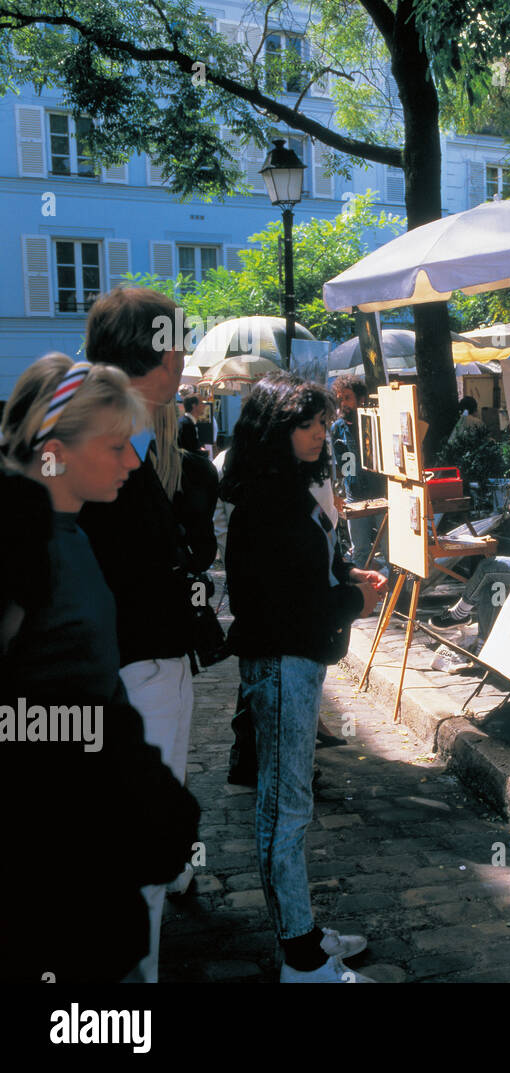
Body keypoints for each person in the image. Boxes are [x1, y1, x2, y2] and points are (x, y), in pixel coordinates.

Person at [0, 355, 199, 981]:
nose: (132, 462)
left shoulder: (68, 529)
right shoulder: (19, 541)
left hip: (86, 865)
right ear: (55, 452)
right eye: (116, 446)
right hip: (55, 870)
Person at [222, 372, 386, 983]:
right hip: (282, 661)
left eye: (321, 422)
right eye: (306, 424)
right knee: (284, 807)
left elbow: (308, 568)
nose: (320, 434)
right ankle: (299, 956)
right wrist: (351, 602)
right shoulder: (266, 500)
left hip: (297, 659)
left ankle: (302, 929)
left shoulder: (288, 488)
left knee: (291, 803)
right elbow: (279, 602)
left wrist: (345, 579)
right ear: (275, 430)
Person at [78, 286, 215, 982]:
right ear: (161, 354)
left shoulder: (125, 430)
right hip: (133, 671)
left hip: (142, 663)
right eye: (182, 344)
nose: (187, 359)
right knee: (141, 851)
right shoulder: (104, 439)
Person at [329, 374, 387, 571]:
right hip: (355, 497)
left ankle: (397, 595)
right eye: (340, 398)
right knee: (360, 551)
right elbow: (343, 465)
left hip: (382, 495)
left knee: (389, 550)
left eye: (347, 397)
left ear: (360, 398)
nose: (343, 403)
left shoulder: (374, 422)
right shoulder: (337, 428)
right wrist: (343, 491)